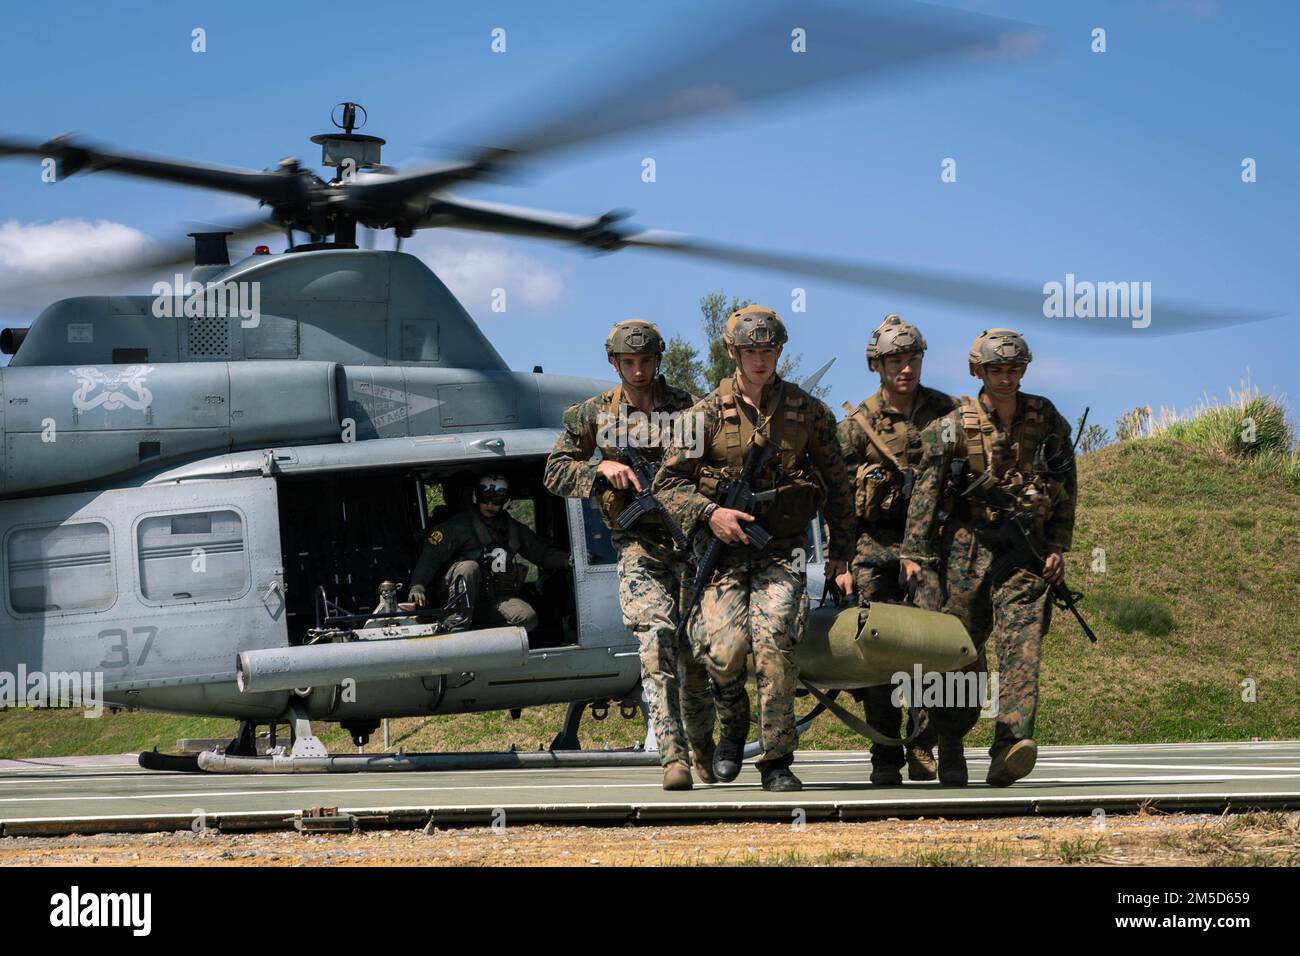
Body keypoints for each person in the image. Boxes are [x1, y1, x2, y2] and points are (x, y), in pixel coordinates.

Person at [653, 305, 855, 792]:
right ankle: (733, 722)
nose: (760, 360)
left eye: (768, 350)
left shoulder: (808, 413)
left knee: (773, 647)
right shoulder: (700, 416)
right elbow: (665, 485)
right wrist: (710, 514)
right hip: (720, 557)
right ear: (732, 352)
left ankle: (776, 759)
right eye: (750, 351)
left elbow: (839, 486)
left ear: (779, 351)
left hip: (781, 553)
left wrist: (841, 554)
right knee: (724, 654)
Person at [543, 319, 717, 791]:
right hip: (638, 545)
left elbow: (722, 461)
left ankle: (702, 743)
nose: (638, 371)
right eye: (628, 363)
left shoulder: (691, 409)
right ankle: (672, 754)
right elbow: (554, 472)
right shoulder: (592, 416)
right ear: (614, 363)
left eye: (645, 362)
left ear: (659, 360)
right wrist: (603, 468)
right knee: (656, 640)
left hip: (693, 545)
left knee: (697, 654)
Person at [899, 329, 1077, 786]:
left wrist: (1057, 545)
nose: (1007, 377)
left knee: (1022, 646)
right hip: (966, 548)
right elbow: (926, 490)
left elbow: (1065, 485)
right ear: (978, 370)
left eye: (1015, 368)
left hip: (1024, 549)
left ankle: (1010, 744)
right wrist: (915, 553)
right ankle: (946, 738)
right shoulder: (951, 426)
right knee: (959, 651)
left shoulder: (1046, 418)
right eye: (997, 369)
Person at [835, 314, 954, 785]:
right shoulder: (857, 425)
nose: (905, 369)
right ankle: (884, 750)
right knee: (874, 651)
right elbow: (839, 499)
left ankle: (922, 744)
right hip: (871, 547)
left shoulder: (947, 415)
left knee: (927, 647)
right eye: (895, 361)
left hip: (928, 552)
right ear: (877, 366)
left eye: (912, 359)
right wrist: (839, 561)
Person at [408, 474, 570, 633]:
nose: (490, 504)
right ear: (476, 497)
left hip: (493, 598)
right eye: (485, 498)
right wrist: (418, 585)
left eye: (497, 500)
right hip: (455, 599)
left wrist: (568, 560)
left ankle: (481, 637)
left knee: (527, 618)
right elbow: (430, 558)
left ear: (505, 502)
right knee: (468, 568)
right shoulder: (456, 528)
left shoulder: (513, 529)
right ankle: (454, 625)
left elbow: (541, 553)